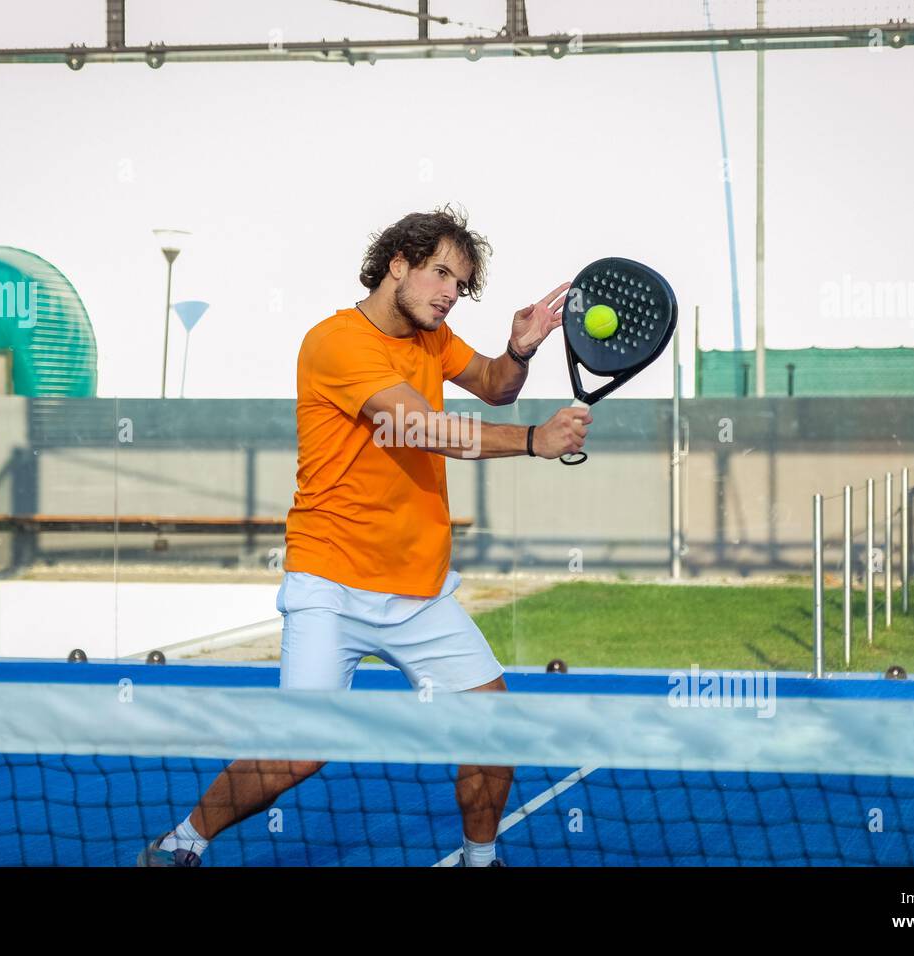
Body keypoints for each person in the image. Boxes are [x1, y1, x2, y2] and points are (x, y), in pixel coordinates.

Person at [139, 205, 592, 867]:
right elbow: (422, 428)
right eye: (440, 273)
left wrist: (520, 349)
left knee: (494, 729)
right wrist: (534, 441)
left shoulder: (434, 338)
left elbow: (495, 385)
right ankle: (183, 842)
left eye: (460, 285)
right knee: (299, 751)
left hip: (420, 590)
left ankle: (478, 858)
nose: (449, 294)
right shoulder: (336, 343)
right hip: (332, 582)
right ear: (397, 263)